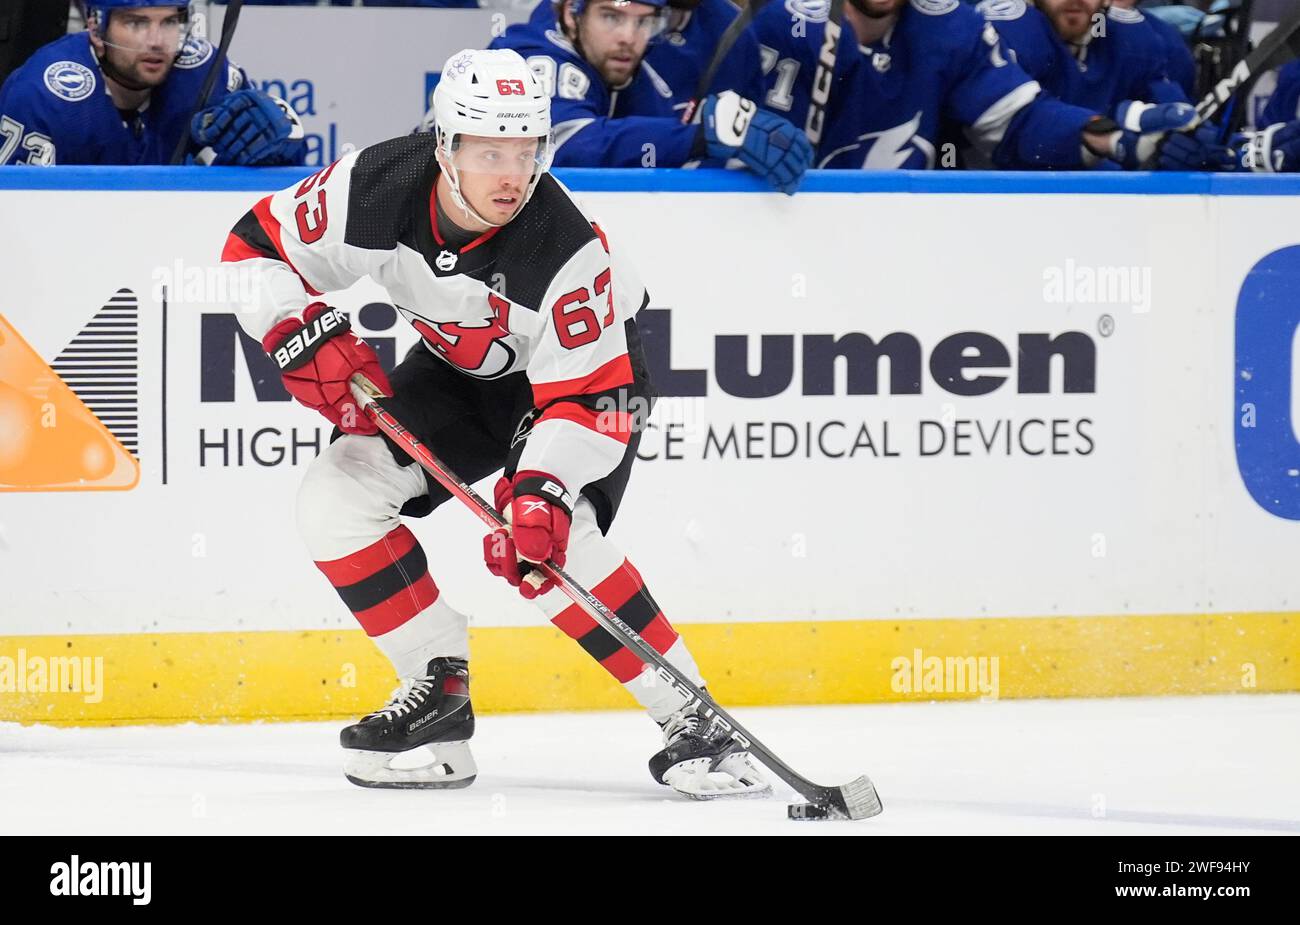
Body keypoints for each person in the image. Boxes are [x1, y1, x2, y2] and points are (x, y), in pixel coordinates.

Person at [220, 47, 769, 798]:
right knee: (336, 497)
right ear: (443, 147)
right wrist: (290, 325)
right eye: (489, 152)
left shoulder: (567, 249)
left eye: (526, 150)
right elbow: (256, 246)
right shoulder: (376, 186)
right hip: (460, 370)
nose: (512, 173)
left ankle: (696, 720)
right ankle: (437, 693)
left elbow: (587, 399)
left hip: (579, 389)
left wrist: (541, 486)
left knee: (548, 539)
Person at [750, 0, 1192, 171]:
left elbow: (1018, 122)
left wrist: (1105, 135)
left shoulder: (950, 29)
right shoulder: (788, 25)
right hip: (791, 250)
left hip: (902, 249)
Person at [486, 0, 811, 192]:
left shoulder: (631, 70)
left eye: (644, 22)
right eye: (611, 16)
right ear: (572, 14)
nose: (628, 37)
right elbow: (561, 144)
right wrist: (696, 137)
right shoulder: (529, 54)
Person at [0, 1, 304, 166]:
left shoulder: (206, 74)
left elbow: (276, 192)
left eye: (169, 22)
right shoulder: (42, 94)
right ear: (95, 29)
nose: (157, 42)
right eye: (136, 23)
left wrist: (282, 145)